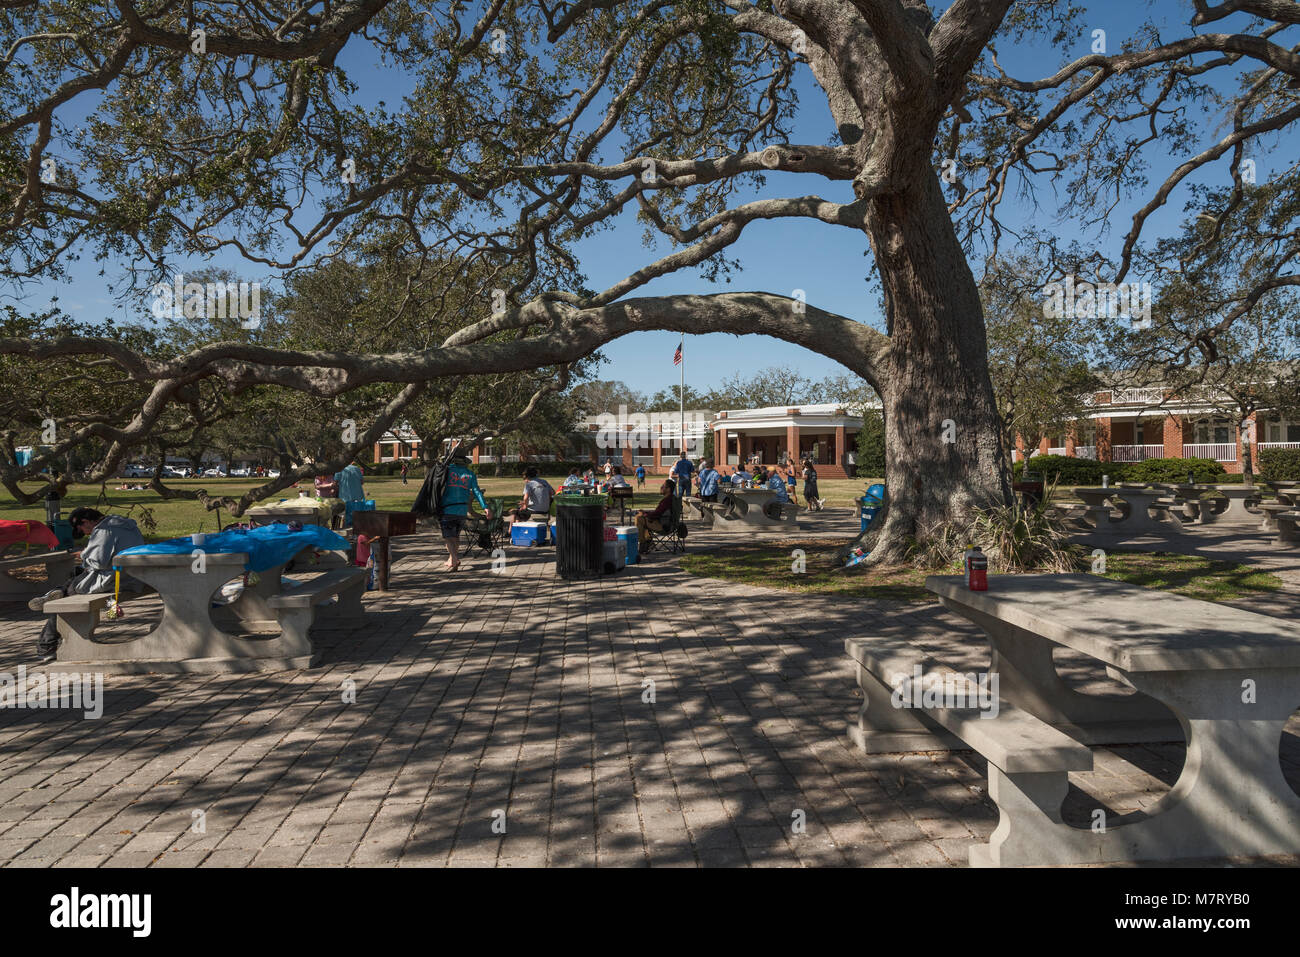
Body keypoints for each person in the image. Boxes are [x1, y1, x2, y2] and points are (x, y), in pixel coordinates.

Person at [29, 508, 145, 662]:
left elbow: (98, 562)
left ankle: (46, 646)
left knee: (66, 597)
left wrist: (83, 555)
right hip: (133, 578)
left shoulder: (104, 530)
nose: (86, 533)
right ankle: (59, 593)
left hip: (114, 580)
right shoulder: (125, 524)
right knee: (75, 579)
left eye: (82, 529)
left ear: (85, 522)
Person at [438, 453, 492, 571]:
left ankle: (454, 559)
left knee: (448, 537)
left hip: (447, 509)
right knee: (455, 536)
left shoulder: (446, 472)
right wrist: (485, 507)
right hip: (462, 510)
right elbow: (477, 491)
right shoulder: (470, 474)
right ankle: (451, 559)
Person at [635, 479, 676, 550]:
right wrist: (645, 513)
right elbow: (658, 513)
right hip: (670, 524)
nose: (661, 487)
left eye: (663, 486)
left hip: (664, 526)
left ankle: (643, 543)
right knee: (643, 518)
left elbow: (656, 514)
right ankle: (648, 542)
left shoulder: (666, 501)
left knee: (639, 518)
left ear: (668, 489)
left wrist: (644, 514)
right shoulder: (672, 498)